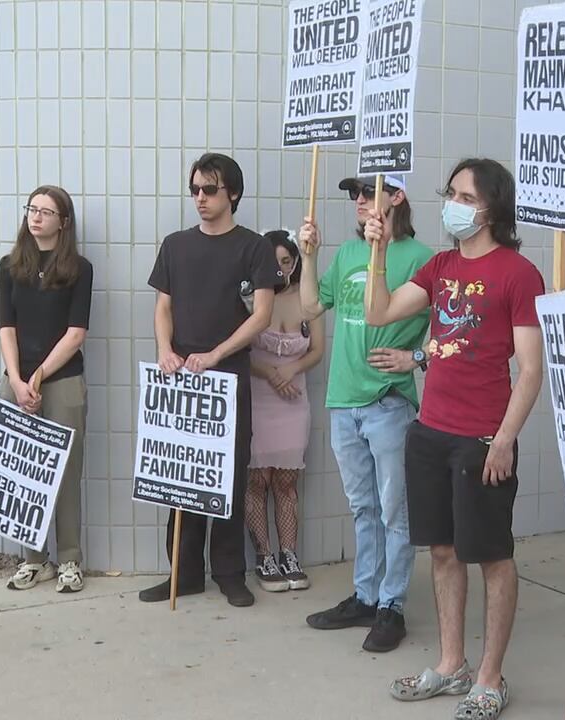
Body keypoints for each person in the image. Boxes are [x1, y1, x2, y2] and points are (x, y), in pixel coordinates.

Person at [367, 158, 545, 719]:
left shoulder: (518, 273)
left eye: (463, 196)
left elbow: (531, 369)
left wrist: (505, 438)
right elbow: (379, 313)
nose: (452, 203)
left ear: (490, 206)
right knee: (442, 552)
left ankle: (490, 676)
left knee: (491, 555)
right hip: (430, 431)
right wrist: (377, 248)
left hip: (481, 437)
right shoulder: (441, 265)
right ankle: (451, 664)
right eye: (450, 193)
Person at [298, 174, 434, 653]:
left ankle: (391, 605)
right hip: (345, 401)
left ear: (396, 196)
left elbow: (455, 328)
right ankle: (366, 595)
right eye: (354, 193)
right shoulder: (350, 254)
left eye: (368, 192)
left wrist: (416, 358)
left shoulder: (422, 258)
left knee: (395, 509)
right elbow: (312, 304)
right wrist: (310, 257)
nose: (358, 200)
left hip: (389, 402)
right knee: (364, 507)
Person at [139, 153, 278, 608]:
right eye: (195, 189)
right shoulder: (175, 245)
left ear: (232, 193)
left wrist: (216, 354)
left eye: (210, 190)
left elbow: (262, 315)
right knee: (180, 474)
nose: (200, 198)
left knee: (228, 476)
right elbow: (163, 306)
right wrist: (165, 350)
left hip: (227, 376)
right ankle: (183, 572)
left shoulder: (253, 247)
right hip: (179, 378)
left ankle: (229, 572)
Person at [0, 185, 93, 594]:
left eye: (46, 212)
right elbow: (6, 327)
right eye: (31, 210)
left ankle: (70, 560)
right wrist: (17, 381)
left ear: (63, 222)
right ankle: (33, 560)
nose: (36, 217)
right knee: (23, 472)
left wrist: (36, 379)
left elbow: (76, 334)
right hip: (16, 383)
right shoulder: (9, 266)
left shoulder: (79, 269)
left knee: (66, 473)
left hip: (64, 382)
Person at [246, 230, 324, 593]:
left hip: (294, 399)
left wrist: (289, 371)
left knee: (286, 481)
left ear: (294, 263)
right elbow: (240, 349)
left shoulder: (309, 299)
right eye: (273, 263)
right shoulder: (250, 299)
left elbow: (317, 350)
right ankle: (264, 554)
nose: (279, 270)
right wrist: (272, 375)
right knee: (256, 479)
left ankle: (289, 554)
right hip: (257, 396)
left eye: (286, 262)